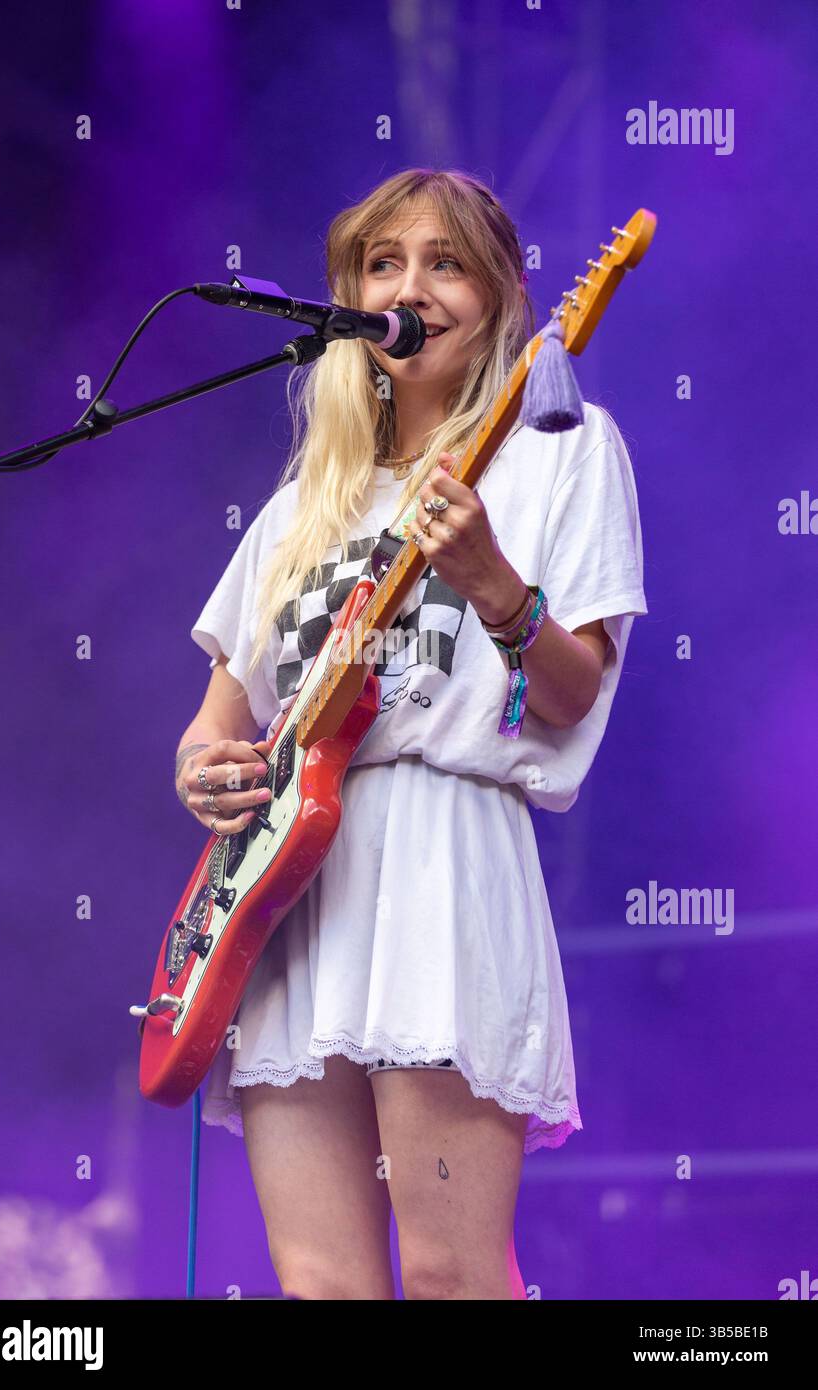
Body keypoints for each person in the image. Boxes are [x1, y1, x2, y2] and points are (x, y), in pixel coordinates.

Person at [174, 168, 648, 1300]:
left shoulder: (559, 445)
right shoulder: (311, 496)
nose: (409, 288)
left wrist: (490, 579)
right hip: (289, 891)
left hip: (441, 858)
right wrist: (206, 771)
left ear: (500, 294)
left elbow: (573, 692)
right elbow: (213, 717)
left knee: (447, 1273)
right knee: (324, 1284)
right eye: (381, 265)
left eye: (443, 263)